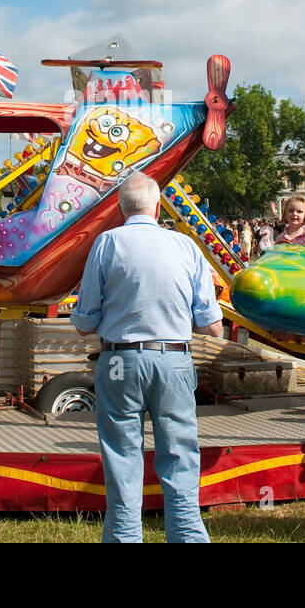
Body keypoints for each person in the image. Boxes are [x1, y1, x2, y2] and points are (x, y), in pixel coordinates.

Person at [71, 172, 223, 543]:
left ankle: (124, 537)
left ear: (120, 208)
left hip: (121, 359)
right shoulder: (186, 247)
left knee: (123, 457)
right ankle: (188, 534)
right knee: (180, 453)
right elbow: (213, 326)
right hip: (173, 359)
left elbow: (84, 321)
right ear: (157, 207)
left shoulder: (107, 243)